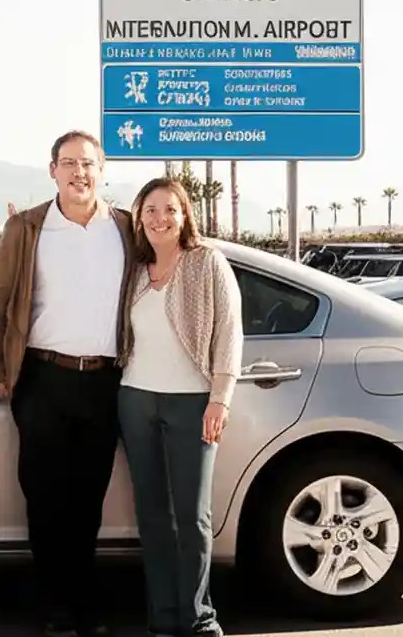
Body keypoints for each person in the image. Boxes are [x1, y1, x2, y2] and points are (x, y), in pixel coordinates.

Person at [0, 129, 136, 637]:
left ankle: (84, 604)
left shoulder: (127, 230)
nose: (79, 172)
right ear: (53, 171)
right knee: (44, 499)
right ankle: (55, 607)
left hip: (106, 382)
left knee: (88, 501)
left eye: (88, 163)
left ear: (102, 170)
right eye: (69, 163)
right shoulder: (26, 228)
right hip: (42, 379)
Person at [114, 176, 243, 637]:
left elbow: (229, 333)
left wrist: (220, 399)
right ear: (139, 216)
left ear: (185, 214)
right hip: (135, 399)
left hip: (193, 403)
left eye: (170, 209)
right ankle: (163, 617)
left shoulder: (207, 262)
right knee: (152, 515)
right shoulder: (134, 270)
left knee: (193, 516)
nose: (160, 218)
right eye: (150, 210)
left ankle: (199, 617)